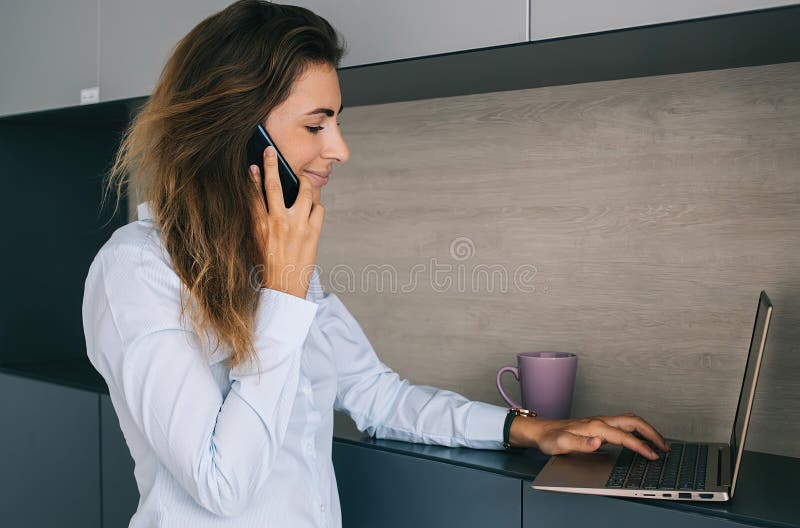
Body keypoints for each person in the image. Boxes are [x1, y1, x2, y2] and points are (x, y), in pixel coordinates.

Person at [82, 1, 668, 526]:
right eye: (316, 125)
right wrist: (283, 296)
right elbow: (222, 483)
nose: (339, 149)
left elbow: (379, 397)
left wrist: (530, 429)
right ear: (236, 132)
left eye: (336, 122)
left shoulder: (281, 267)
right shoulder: (137, 272)